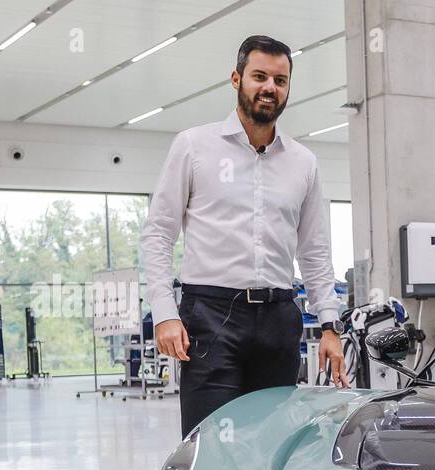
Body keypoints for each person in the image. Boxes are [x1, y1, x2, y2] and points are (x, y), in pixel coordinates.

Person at [141, 35, 349, 438]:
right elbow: (158, 233)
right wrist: (165, 312)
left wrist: (329, 325)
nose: (270, 87)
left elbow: (314, 249)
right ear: (237, 79)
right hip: (210, 316)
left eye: (280, 80)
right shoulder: (193, 146)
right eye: (259, 76)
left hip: (278, 319)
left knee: (272, 441)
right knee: (209, 442)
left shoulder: (303, 162)